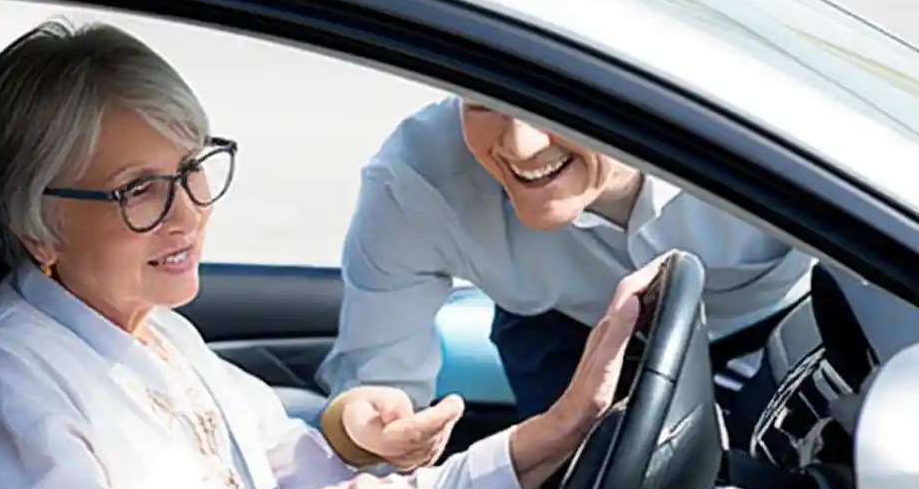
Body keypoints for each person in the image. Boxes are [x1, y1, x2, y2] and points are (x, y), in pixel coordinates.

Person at [0, 20, 662, 489]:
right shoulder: (13, 382)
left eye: (191, 170)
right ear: (34, 224)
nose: (188, 214)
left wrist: (569, 422)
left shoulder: (166, 336)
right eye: (138, 190)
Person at [318, 98, 814, 425]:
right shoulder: (416, 183)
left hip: (785, 327)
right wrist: (371, 435)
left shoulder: (760, 132)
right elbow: (371, 392)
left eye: (552, 106)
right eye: (485, 102)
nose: (520, 146)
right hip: (563, 330)